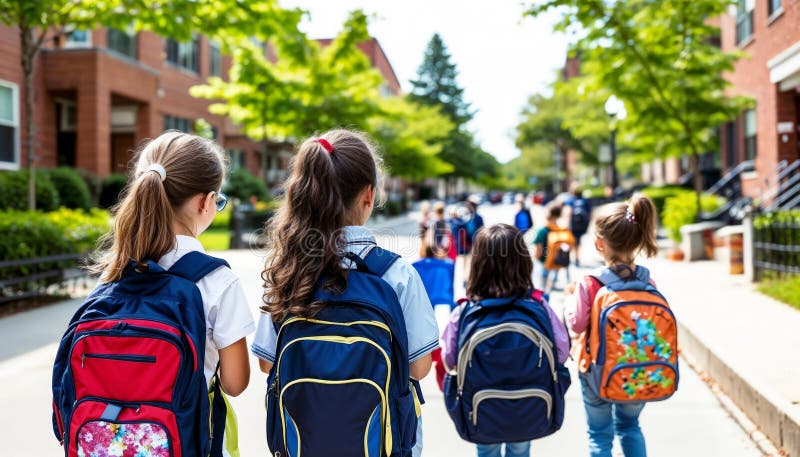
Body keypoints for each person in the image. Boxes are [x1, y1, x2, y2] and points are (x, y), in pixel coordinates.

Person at [252, 129, 439, 457]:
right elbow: (419, 368)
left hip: (303, 441)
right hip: (380, 442)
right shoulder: (396, 274)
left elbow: (268, 365)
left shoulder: (289, 269)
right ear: (369, 195)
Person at [66, 132, 253, 456]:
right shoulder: (216, 280)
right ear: (205, 202)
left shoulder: (111, 276)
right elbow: (234, 384)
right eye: (218, 201)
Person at [441, 224, 570, 457]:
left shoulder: (464, 313)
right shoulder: (539, 307)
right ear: (524, 262)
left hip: (481, 407)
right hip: (529, 405)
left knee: (487, 449)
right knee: (520, 449)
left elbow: (450, 359)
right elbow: (561, 353)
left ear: (477, 265)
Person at [564, 194, 660, 457]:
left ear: (599, 244)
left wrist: (570, 300)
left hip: (596, 370)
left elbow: (576, 324)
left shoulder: (590, 283)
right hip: (636, 370)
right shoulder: (648, 282)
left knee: (599, 435)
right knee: (630, 426)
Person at [532, 203, 573, 293]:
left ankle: (544, 299)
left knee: (542, 287)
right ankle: (550, 289)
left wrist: (536, 259)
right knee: (551, 283)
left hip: (544, 263)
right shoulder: (562, 230)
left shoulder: (542, 231)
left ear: (548, 214)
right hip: (557, 262)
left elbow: (538, 252)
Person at [564, 183, 592, 266]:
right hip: (581, 225)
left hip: (572, 225)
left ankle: (568, 257)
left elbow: (568, 212)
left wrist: (566, 224)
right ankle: (577, 258)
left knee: (570, 240)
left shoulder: (570, 200)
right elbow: (590, 214)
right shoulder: (585, 201)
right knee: (578, 241)